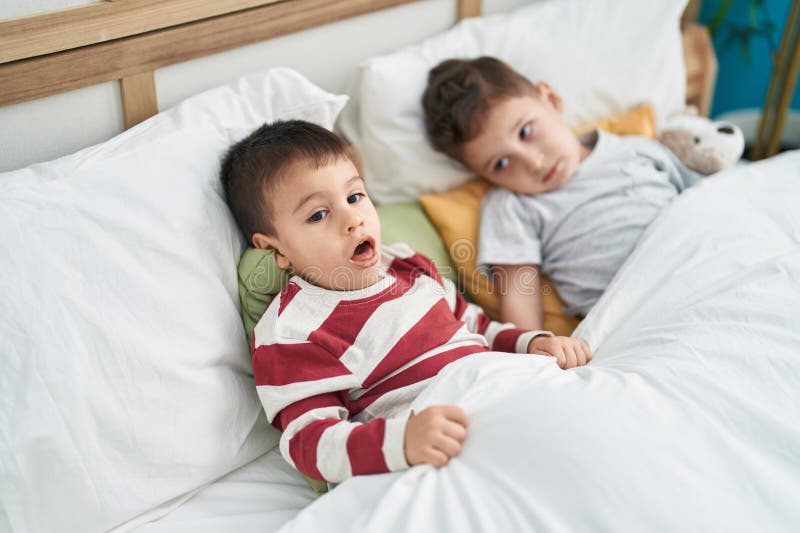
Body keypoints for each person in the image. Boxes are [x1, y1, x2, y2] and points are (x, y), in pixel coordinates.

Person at [220, 119, 591, 485]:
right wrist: (403, 441)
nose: (353, 219)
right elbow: (309, 442)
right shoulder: (293, 328)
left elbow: (475, 326)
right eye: (318, 214)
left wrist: (535, 344)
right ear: (275, 249)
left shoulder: (409, 267)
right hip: (436, 438)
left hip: (501, 387)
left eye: (355, 197)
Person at [422, 57, 700, 330]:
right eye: (501, 164)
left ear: (551, 99)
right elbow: (521, 305)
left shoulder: (637, 149)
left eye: (525, 131)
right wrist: (537, 355)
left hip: (700, 266)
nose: (534, 163)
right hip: (634, 320)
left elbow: (707, 202)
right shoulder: (512, 206)